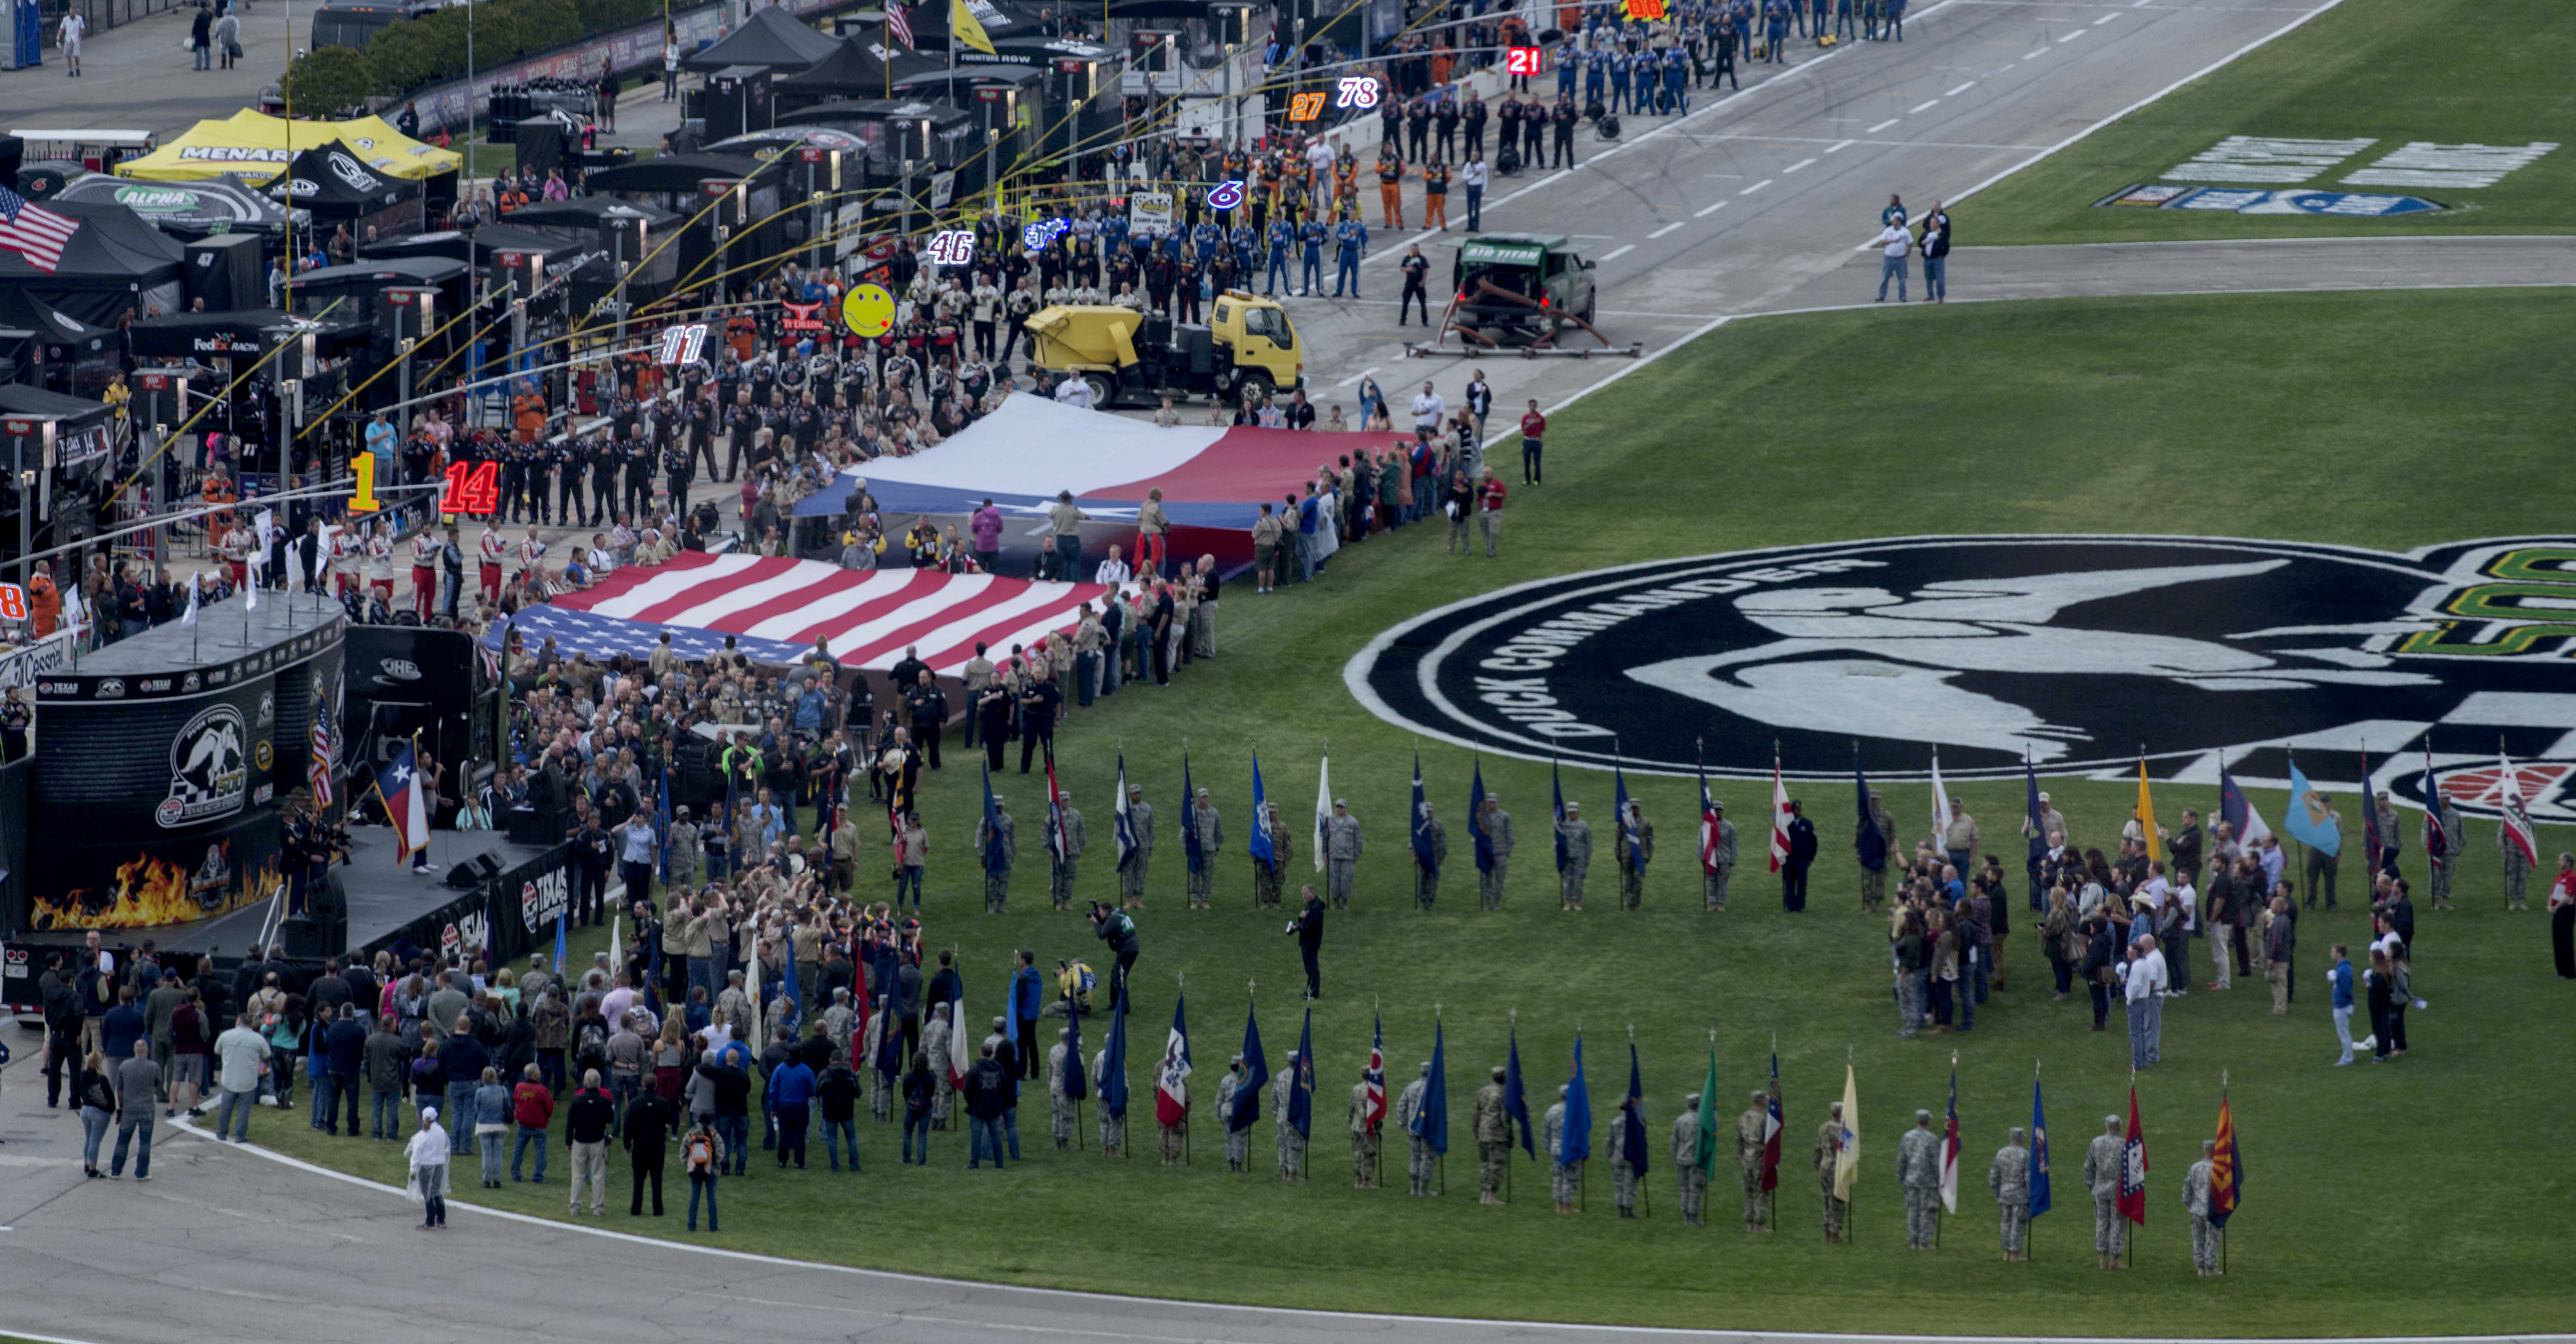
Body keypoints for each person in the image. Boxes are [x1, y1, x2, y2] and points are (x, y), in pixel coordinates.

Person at [566, 1068, 616, 1215]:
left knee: (578, 1176)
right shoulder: (604, 1101)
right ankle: (598, 1208)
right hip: (597, 1141)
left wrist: (568, 1142)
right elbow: (611, 1119)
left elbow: (571, 1122)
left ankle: (575, 1207)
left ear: (586, 1083)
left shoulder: (578, 1100)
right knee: (598, 1176)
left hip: (580, 1140)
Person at [624, 1081, 677, 1216]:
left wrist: (627, 1144)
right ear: (656, 1085)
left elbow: (628, 1125)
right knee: (657, 1178)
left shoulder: (635, 1103)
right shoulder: (663, 1102)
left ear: (643, 1085)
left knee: (638, 1179)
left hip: (640, 1145)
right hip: (657, 1145)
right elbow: (670, 1119)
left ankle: (636, 1209)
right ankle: (658, 1209)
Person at [2082, 1113, 2127, 1268]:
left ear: (2106, 1127)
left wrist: (2092, 1185)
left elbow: (2088, 1167)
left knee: (2101, 1223)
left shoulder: (2096, 1143)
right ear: (2119, 1128)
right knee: (2118, 1224)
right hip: (2118, 1191)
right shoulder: (2124, 1144)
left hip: (2100, 1190)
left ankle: (2102, 1259)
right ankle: (2115, 1260)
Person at [111, 1039, 160, 1179]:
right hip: (147, 1108)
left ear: (134, 1050)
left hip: (129, 1109)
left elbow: (120, 1088)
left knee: (123, 1140)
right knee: (145, 1141)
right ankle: (142, 1172)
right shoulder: (154, 1066)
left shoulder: (125, 1066)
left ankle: (116, 1171)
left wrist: (122, 1107)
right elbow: (158, 1082)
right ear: (147, 1051)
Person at [1897, 1108, 1940, 1250]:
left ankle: (1913, 1241)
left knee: (1913, 1210)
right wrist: (1941, 1180)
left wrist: (1901, 1177)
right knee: (1926, 1211)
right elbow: (1936, 1163)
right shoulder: (1932, 1139)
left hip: (1911, 1179)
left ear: (1917, 1121)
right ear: (1928, 1121)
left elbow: (1902, 1160)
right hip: (1928, 1182)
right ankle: (1924, 1242)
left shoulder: (1907, 1137)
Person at [2126, 932, 2168, 1067]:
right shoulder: (2154, 957)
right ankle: (2148, 1055)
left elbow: (2152, 982)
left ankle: (2151, 1056)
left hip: (2153, 997)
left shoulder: (2152, 960)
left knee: (2151, 1027)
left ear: (2148, 946)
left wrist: (2139, 992)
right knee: (2148, 1027)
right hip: (2154, 997)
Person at [1990, 1126, 2032, 1260]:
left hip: (2004, 1193)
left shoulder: (2001, 1153)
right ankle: (2014, 1254)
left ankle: (2006, 1253)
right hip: (2020, 1194)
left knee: (2005, 1223)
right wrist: (2032, 1196)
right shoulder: (2025, 1155)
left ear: (2010, 1138)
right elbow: (2028, 1178)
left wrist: (1997, 1193)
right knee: (2017, 1224)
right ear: (2021, 1139)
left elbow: (1994, 1176)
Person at [1734, 1090, 1772, 1231]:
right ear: (1762, 1101)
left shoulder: (1744, 1117)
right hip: (1760, 1159)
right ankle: (1759, 1225)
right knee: (1761, 1192)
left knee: (1748, 1191)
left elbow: (1738, 1140)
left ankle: (1749, 1224)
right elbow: (1768, 1141)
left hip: (1747, 1159)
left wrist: (1740, 1157)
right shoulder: (1764, 1119)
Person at [407, 1106, 451, 1229]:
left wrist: (413, 1171)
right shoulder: (441, 1132)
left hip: (426, 1166)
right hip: (439, 1165)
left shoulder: (421, 1135)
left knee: (428, 1194)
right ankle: (442, 1219)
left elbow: (416, 1156)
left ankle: (430, 1221)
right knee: (437, 1191)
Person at [2184, 1138, 2221, 1275]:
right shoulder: (2218, 1169)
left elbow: (2188, 1187)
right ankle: (2211, 1268)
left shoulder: (2195, 1167)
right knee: (2212, 1238)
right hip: (2213, 1210)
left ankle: (2200, 1267)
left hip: (2197, 1209)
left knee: (2198, 1238)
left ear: (2205, 1151)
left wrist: (2188, 1203)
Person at [1473, 1065, 1509, 1204]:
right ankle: (1492, 1196)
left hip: (1483, 1133)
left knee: (1485, 1164)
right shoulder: (1503, 1093)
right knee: (1497, 1165)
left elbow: (1476, 1114)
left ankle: (1484, 1195)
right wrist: (1509, 1134)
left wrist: (1476, 1132)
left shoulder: (1483, 1092)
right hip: (1497, 1134)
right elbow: (1504, 1117)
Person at [683, 1115, 725, 1232]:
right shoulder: (714, 1134)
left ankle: (691, 1226)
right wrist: (714, 1163)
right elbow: (721, 1153)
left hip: (694, 1171)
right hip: (711, 1171)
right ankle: (714, 1226)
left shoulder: (690, 1134)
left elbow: (683, 1154)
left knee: (694, 1198)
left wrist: (689, 1164)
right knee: (712, 1198)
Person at [1815, 1101, 1848, 1240]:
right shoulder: (1843, 1129)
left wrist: (1817, 1164)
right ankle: (1835, 1233)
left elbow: (1817, 1148)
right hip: (1837, 1168)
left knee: (1827, 1200)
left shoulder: (1824, 1128)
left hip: (1825, 1167)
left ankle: (1827, 1232)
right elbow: (1847, 1150)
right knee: (1838, 1201)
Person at [1543, 1083, 1578, 1213]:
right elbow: (1580, 1132)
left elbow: (1546, 1130)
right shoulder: (1575, 1111)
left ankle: (1559, 1206)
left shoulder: (1552, 1110)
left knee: (1558, 1177)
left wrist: (1547, 1147)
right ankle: (1568, 1207)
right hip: (1570, 1149)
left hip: (1555, 1149)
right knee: (1570, 1178)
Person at [1322, 799, 1362, 909]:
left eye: (1342, 807)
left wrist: (1356, 856)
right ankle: (1335, 902)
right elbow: (1325, 838)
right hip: (1333, 857)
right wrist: (1325, 854)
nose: (1340, 809)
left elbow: (1358, 840)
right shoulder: (1329, 821)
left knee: (1346, 880)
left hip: (1348, 857)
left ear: (1346, 808)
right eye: (1338, 807)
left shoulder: (1353, 822)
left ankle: (1345, 902)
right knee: (1334, 881)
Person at [1347, 1064, 1381, 1189]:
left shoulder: (1356, 1089)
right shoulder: (1373, 1091)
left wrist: (1350, 1121)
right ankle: (1366, 1182)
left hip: (1356, 1126)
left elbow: (1351, 1107)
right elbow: (1375, 1111)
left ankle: (1358, 1181)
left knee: (1357, 1153)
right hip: (1368, 1127)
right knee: (1368, 1154)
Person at [1478, 793, 1514, 910]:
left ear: (1497, 803)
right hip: (1487, 853)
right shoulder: (1482, 816)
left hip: (1501, 852)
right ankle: (1487, 903)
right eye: (1489, 802)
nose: (1491, 804)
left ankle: (1496, 902)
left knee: (1500, 879)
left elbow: (1510, 834)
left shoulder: (1505, 816)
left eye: (1493, 802)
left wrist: (1509, 850)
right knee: (1486, 879)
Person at [1782, 799, 1819, 910]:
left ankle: (1800, 906)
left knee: (1802, 884)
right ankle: (1790, 905)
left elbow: (1814, 842)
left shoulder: (1807, 824)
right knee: (1790, 883)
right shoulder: (1786, 825)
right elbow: (1781, 841)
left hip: (1802, 860)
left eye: (1799, 809)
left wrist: (1811, 858)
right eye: (1796, 809)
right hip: (1789, 860)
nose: (1798, 811)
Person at [1704, 799, 1739, 910]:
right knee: (1711, 881)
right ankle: (1712, 902)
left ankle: (1721, 903)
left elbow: (1734, 842)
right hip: (1711, 858)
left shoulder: (1729, 826)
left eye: (1720, 810)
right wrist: (1702, 856)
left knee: (1722, 882)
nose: (1718, 812)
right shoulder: (1707, 825)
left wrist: (1733, 858)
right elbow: (1702, 841)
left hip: (1725, 858)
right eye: (1716, 810)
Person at [2328, 942, 2356, 1065]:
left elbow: (2345, 989)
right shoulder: (2342, 968)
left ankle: (2348, 1059)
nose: (2331, 954)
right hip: (2343, 1004)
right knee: (2344, 1033)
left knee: (2344, 1034)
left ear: (2339, 954)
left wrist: (2336, 982)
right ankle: (2347, 1057)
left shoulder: (2343, 970)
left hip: (2342, 1005)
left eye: (2333, 952)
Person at [1870, 218, 1911, 302]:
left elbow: (1910, 244)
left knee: (1902, 279)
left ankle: (1903, 297)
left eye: (1895, 221)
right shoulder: (1888, 230)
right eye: (1893, 221)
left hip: (1901, 258)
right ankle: (1882, 296)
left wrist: (1907, 256)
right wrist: (1893, 241)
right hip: (1889, 258)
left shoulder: (1905, 231)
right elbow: (1882, 243)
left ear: (1899, 222)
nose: (1893, 222)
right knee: (1885, 278)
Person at [1917, 202, 1950, 303]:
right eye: (1931, 223)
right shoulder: (1927, 234)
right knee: (1928, 278)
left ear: (1938, 224)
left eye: (1934, 223)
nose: (1932, 225)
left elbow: (1947, 246)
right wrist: (1924, 243)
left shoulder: (1942, 234)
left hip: (1938, 259)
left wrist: (1942, 254)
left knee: (1940, 279)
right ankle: (1930, 295)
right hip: (1927, 259)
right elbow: (1919, 243)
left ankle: (1941, 296)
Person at [2551, 853, 2576, 979]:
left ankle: (2569, 972)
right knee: (2557, 941)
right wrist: (2549, 905)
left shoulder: (2572, 877)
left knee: (2565, 941)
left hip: (2567, 911)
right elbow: (2553, 892)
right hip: (2558, 911)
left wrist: (2556, 907)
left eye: (2561, 860)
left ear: (2568, 863)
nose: (2559, 862)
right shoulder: (2560, 876)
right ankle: (2560, 971)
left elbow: (2568, 897)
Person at [1518, 400, 1546, 485]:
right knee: (1527, 462)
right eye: (1531, 406)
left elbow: (1541, 430)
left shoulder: (1541, 418)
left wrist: (1540, 439)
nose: (1533, 407)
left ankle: (1537, 480)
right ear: (1529, 406)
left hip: (1536, 441)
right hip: (1527, 441)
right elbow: (1524, 429)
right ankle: (1527, 479)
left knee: (1537, 462)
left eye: (1534, 405)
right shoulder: (1526, 417)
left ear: (1537, 406)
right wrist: (1531, 423)